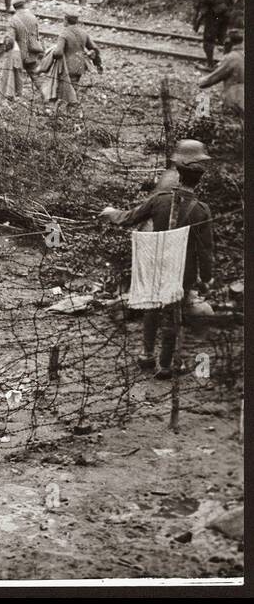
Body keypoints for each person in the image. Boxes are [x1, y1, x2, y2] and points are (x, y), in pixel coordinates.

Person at [101, 152, 214, 379]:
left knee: (152, 308)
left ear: (179, 177)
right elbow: (205, 250)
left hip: (155, 264)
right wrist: (206, 279)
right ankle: (165, 364)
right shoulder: (201, 210)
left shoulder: (159, 199)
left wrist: (111, 213)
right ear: (198, 181)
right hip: (183, 271)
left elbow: (129, 218)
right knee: (174, 312)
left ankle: (147, 354)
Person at [193, 0, 237, 70]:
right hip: (226, 14)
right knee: (224, 38)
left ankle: (210, 65)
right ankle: (228, 64)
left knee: (208, 40)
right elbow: (232, 0)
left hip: (213, 15)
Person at [197, 30, 244, 117]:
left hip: (236, 99)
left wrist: (200, 82)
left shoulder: (232, 57)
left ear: (228, 42)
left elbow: (213, 78)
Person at [7, 0, 43, 93]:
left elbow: (10, 39)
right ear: (24, 5)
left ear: (15, 7)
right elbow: (37, 34)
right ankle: (46, 95)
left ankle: (17, 95)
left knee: (16, 75)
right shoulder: (33, 17)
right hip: (32, 50)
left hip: (19, 53)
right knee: (35, 74)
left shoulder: (13, 20)